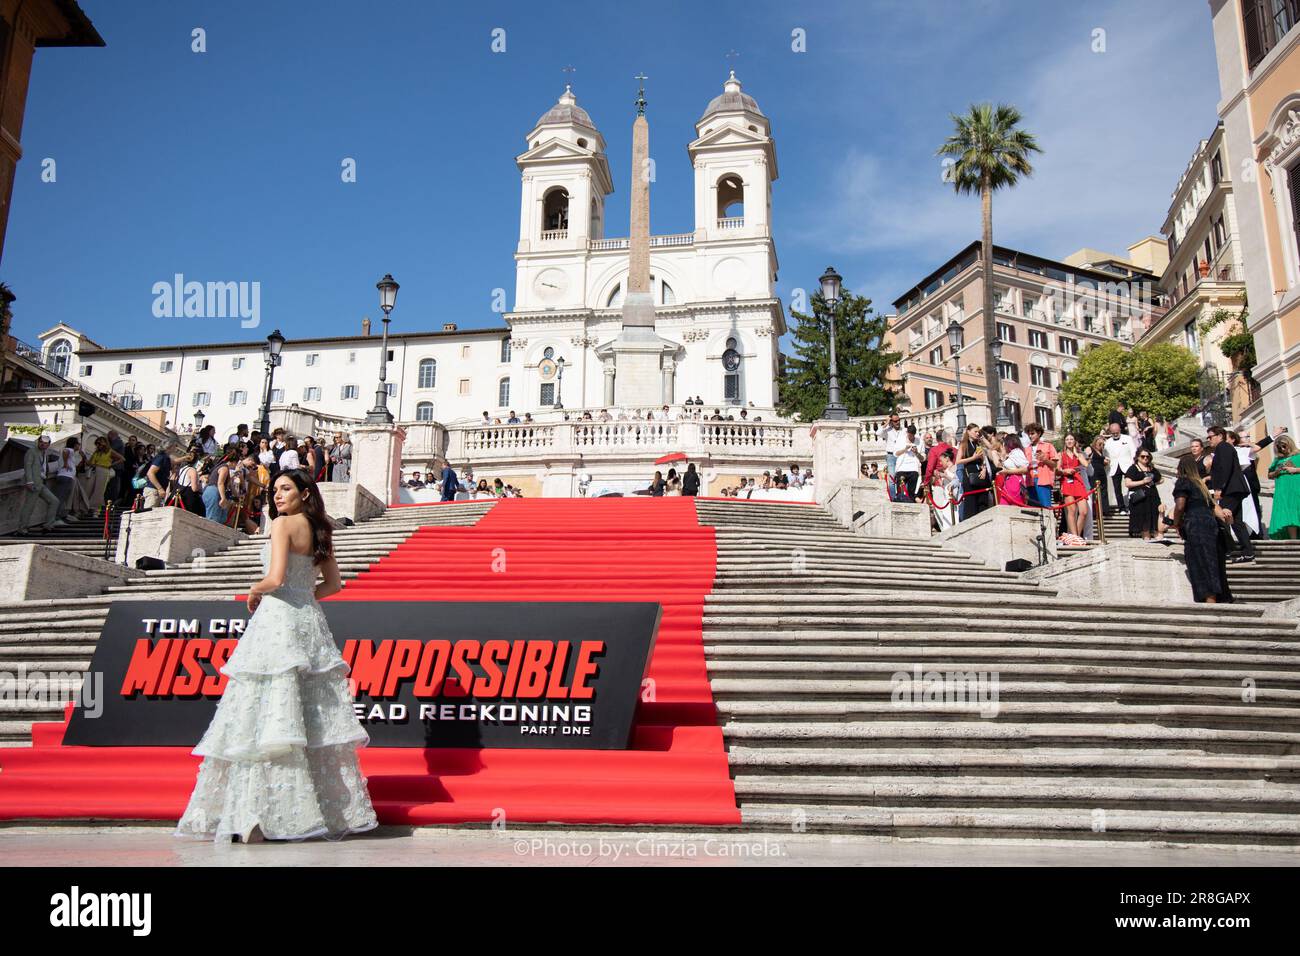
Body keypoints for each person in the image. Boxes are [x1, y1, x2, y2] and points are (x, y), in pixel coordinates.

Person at [175, 469, 378, 843]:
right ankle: (308, 814)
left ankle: (257, 818)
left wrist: (254, 591)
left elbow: (276, 578)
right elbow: (334, 584)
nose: (278, 496)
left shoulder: (283, 525)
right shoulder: (321, 530)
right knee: (307, 715)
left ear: (304, 492)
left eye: (285, 489)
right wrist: (303, 599)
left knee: (263, 709)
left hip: (277, 619)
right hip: (309, 622)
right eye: (274, 490)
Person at [1170, 454, 1232, 604]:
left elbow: (1180, 506)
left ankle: (1210, 599)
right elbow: (1212, 507)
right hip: (1210, 525)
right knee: (1212, 560)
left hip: (1195, 525)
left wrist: (1176, 522)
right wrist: (1224, 516)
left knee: (1200, 561)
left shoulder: (1183, 482)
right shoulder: (1200, 484)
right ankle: (1217, 598)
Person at [1207, 425, 1255, 562]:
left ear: (1220, 436)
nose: (1209, 440)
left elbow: (1226, 469)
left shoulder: (1224, 447)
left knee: (1222, 517)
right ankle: (1247, 552)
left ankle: (1227, 549)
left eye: (1210, 437)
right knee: (1236, 522)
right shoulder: (1222, 448)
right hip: (1233, 489)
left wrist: (1219, 488)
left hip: (1230, 490)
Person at [13, 435, 62, 535]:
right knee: (29, 506)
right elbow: (27, 466)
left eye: (45, 443)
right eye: (41, 442)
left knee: (54, 501)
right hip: (33, 483)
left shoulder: (45, 453)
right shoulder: (32, 451)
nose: (43, 444)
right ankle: (22, 529)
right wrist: (29, 481)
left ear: (48, 445)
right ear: (38, 442)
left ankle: (48, 526)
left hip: (41, 483)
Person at [954, 423, 991, 521]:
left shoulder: (978, 443)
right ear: (968, 431)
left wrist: (984, 469)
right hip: (969, 475)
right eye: (975, 431)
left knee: (982, 501)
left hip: (980, 475)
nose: (977, 433)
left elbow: (985, 456)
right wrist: (972, 458)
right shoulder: (963, 444)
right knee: (971, 503)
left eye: (978, 431)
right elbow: (958, 461)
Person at [1124, 449, 1162, 540]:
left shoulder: (1151, 468)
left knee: (1155, 521)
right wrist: (1143, 482)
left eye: (1147, 456)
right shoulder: (1133, 468)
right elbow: (1127, 483)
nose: (1145, 458)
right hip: (1140, 500)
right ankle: (1146, 541)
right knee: (1144, 523)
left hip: (1153, 498)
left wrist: (1153, 482)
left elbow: (1161, 479)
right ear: (1137, 457)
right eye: (1143, 456)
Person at [1267, 434, 1300, 539]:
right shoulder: (1277, 460)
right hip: (1283, 490)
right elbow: (1269, 475)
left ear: (1289, 444)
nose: (1282, 449)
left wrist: (1295, 470)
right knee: (1288, 513)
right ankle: (1293, 540)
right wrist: (1277, 471)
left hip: (1296, 487)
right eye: (1279, 447)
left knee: (1297, 509)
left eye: (1284, 446)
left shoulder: (1298, 455)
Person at [1058, 433, 1090, 539]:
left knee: (1084, 512)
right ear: (1065, 442)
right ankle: (1075, 537)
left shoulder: (1079, 454)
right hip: (1067, 481)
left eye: (1071, 439)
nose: (1069, 441)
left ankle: (1075, 536)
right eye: (1067, 439)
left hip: (1078, 481)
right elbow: (1057, 470)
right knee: (1071, 510)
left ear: (1075, 441)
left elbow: (1085, 465)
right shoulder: (1061, 455)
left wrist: (1076, 454)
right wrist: (1065, 471)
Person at [1103, 423, 1135, 514]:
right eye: (1113, 433)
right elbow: (1106, 455)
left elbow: (1133, 451)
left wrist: (1133, 463)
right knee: (1117, 489)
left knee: (1131, 486)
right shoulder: (1108, 442)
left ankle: (1131, 506)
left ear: (1120, 430)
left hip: (1127, 466)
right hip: (1114, 467)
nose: (1115, 434)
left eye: (1117, 432)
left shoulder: (1127, 438)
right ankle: (1122, 508)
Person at [1024, 423, 1057, 509]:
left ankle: (1048, 522)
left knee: (1046, 507)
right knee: (1034, 508)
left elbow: (1054, 464)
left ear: (1039, 433)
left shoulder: (1048, 446)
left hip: (1043, 479)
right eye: (1029, 434)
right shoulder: (1026, 449)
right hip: (1030, 480)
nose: (1030, 436)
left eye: (1032, 433)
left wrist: (1045, 460)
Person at [893, 425, 925, 502]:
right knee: (900, 492)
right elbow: (895, 454)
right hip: (901, 468)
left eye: (912, 436)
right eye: (909, 435)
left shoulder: (920, 441)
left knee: (912, 493)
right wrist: (905, 449)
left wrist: (916, 453)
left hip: (914, 468)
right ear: (907, 433)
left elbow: (923, 459)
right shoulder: (901, 440)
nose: (911, 437)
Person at [997, 434, 1030, 506]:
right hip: (1008, 483)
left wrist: (1008, 471)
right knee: (1004, 506)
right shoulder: (1010, 454)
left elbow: (1025, 469)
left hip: (1015, 483)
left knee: (1015, 506)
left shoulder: (1017, 452)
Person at [144, 444, 178, 510]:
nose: (176, 448)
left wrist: (185, 458)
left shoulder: (166, 458)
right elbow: (150, 473)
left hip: (157, 492)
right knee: (148, 514)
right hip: (154, 490)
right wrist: (160, 488)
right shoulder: (161, 457)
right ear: (169, 447)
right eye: (175, 445)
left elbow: (174, 461)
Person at [201, 455, 233, 524]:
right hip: (214, 492)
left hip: (209, 491)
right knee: (213, 520)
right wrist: (223, 498)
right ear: (234, 462)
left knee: (214, 518)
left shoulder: (220, 466)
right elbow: (220, 483)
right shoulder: (224, 468)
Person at [881, 412, 902, 479]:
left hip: (901, 456)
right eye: (895, 421)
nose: (898, 422)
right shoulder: (887, 430)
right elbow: (878, 433)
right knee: (892, 478)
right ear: (891, 422)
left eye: (899, 420)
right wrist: (887, 422)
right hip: (891, 456)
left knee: (902, 477)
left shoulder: (904, 430)